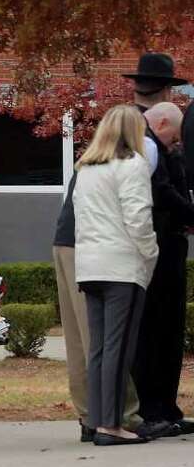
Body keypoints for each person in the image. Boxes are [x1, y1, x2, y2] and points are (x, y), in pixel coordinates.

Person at [71, 105, 158, 446]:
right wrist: (151, 254)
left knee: (99, 349)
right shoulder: (133, 164)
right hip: (121, 265)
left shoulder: (86, 168)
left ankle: (96, 419)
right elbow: (137, 218)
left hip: (90, 265)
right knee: (119, 349)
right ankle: (111, 424)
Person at [128, 54, 194, 439]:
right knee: (154, 329)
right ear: (167, 90)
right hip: (155, 243)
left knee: (165, 329)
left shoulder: (136, 128)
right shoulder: (141, 134)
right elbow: (160, 191)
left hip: (165, 241)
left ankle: (164, 406)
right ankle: (153, 408)